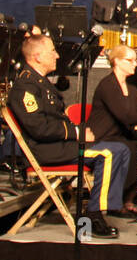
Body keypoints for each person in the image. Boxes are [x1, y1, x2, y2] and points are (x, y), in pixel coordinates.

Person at [8, 33, 129, 238]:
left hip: (58, 144)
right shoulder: (26, 85)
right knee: (111, 152)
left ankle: (99, 210)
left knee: (119, 148)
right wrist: (76, 133)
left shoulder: (40, 82)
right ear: (37, 56)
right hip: (46, 150)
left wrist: (78, 132)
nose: (57, 55)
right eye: (52, 51)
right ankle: (93, 216)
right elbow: (39, 128)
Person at [87, 44, 137, 215]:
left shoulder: (132, 90)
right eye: (130, 60)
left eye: (135, 60)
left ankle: (128, 199)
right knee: (130, 149)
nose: (135, 64)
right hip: (103, 138)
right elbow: (125, 116)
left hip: (121, 137)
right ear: (117, 61)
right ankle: (114, 202)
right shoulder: (108, 85)